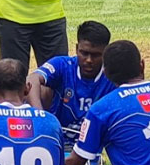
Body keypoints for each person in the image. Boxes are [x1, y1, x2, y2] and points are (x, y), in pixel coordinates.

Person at [26, 21, 114, 152]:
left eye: (95, 55)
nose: (89, 60)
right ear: (77, 48)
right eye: (84, 53)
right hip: (58, 132)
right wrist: (40, 116)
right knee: (37, 91)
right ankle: (36, 143)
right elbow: (31, 79)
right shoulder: (63, 64)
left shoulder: (111, 75)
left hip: (93, 138)